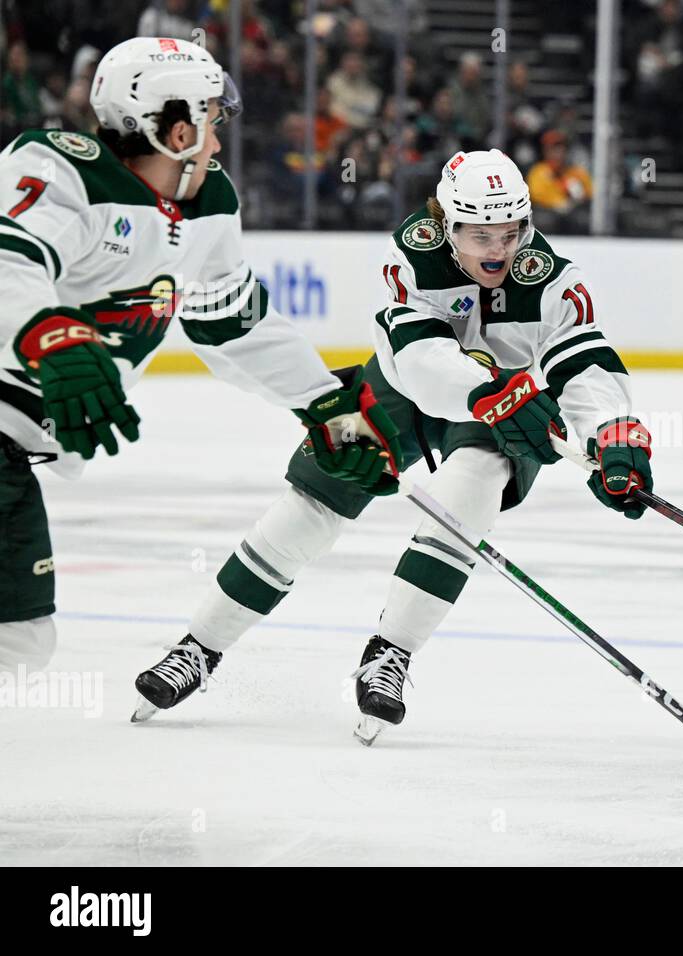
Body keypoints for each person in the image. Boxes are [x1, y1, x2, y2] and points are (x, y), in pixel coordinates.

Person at [133, 149, 653, 744]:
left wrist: (611, 434)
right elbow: (423, 359)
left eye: (509, 233)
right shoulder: (414, 248)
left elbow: (582, 360)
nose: (497, 250)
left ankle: (391, 656)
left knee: (473, 490)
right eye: (479, 234)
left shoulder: (553, 277)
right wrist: (494, 394)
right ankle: (198, 648)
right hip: (407, 388)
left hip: (495, 406)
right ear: (447, 224)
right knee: (311, 506)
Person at [0, 37, 399, 673]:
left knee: (19, 642)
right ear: (177, 130)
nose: (216, 141)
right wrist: (52, 337)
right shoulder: (57, 169)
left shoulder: (208, 205)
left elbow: (233, 325)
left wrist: (326, 404)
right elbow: (9, 260)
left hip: (13, 448)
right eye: (210, 122)